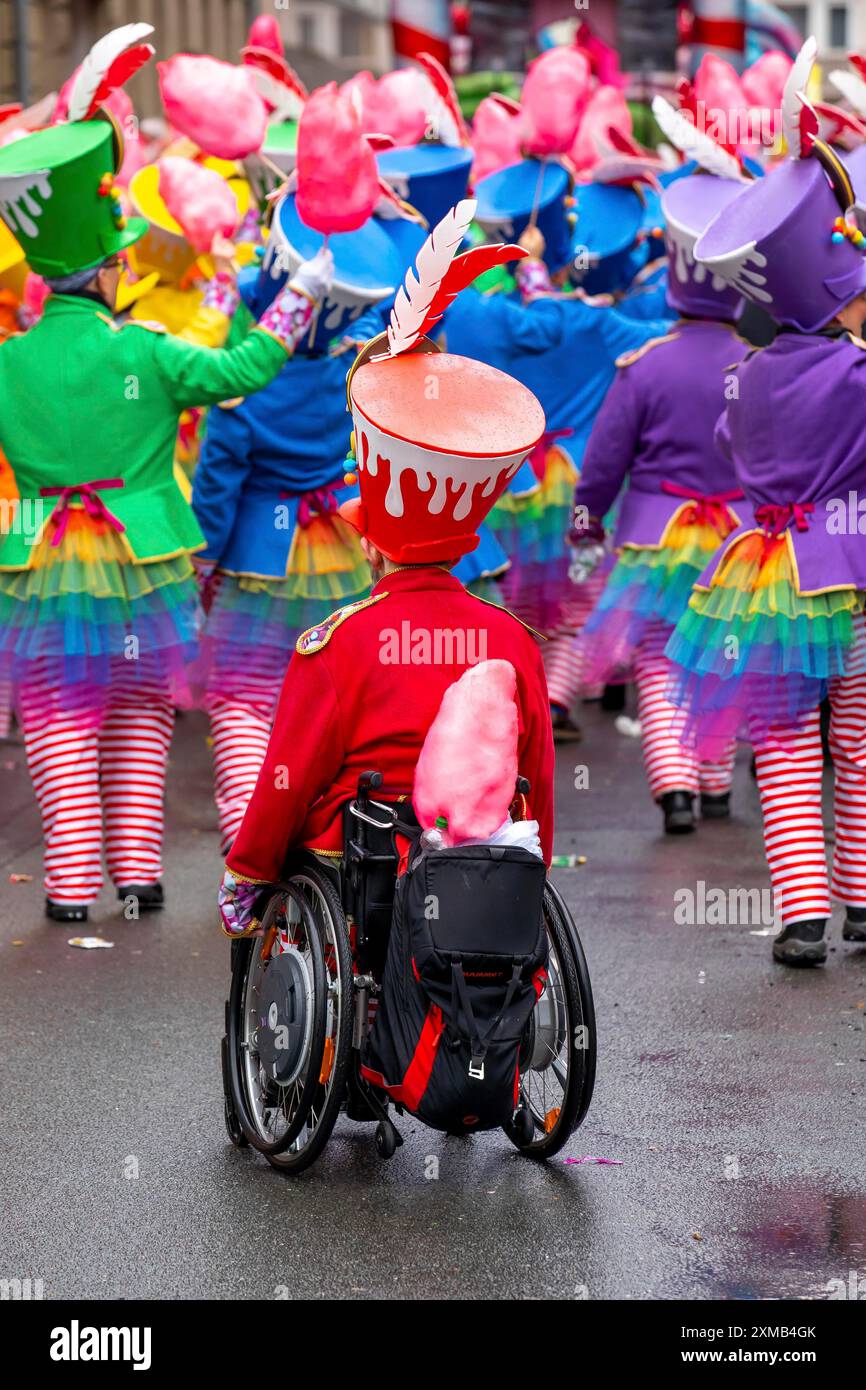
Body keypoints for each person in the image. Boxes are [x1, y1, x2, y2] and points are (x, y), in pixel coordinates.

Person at [0, 117, 334, 922]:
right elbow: (242, 369)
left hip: (36, 559)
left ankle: (72, 889)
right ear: (105, 273)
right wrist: (302, 295)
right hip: (145, 558)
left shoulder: (8, 360)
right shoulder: (144, 351)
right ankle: (141, 877)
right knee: (140, 710)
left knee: (57, 716)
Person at [217, 205, 555, 934]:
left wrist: (247, 872)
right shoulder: (515, 639)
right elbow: (537, 797)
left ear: (370, 539)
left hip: (360, 871)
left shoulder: (337, 643)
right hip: (483, 880)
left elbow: (285, 785)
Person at [666, 42, 866, 965]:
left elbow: (726, 450)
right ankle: (863, 903)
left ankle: (800, 916)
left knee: (784, 748)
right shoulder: (859, 373)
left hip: (760, 575)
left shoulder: (746, 376)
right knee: (857, 747)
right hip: (849, 570)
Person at [572, 111, 755, 835]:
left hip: (654, 536)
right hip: (739, 537)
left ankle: (674, 785)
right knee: (722, 655)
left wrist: (587, 519)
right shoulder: (756, 365)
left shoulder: (644, 367)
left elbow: (605, 460)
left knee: (658, 658)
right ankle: (714, 783)